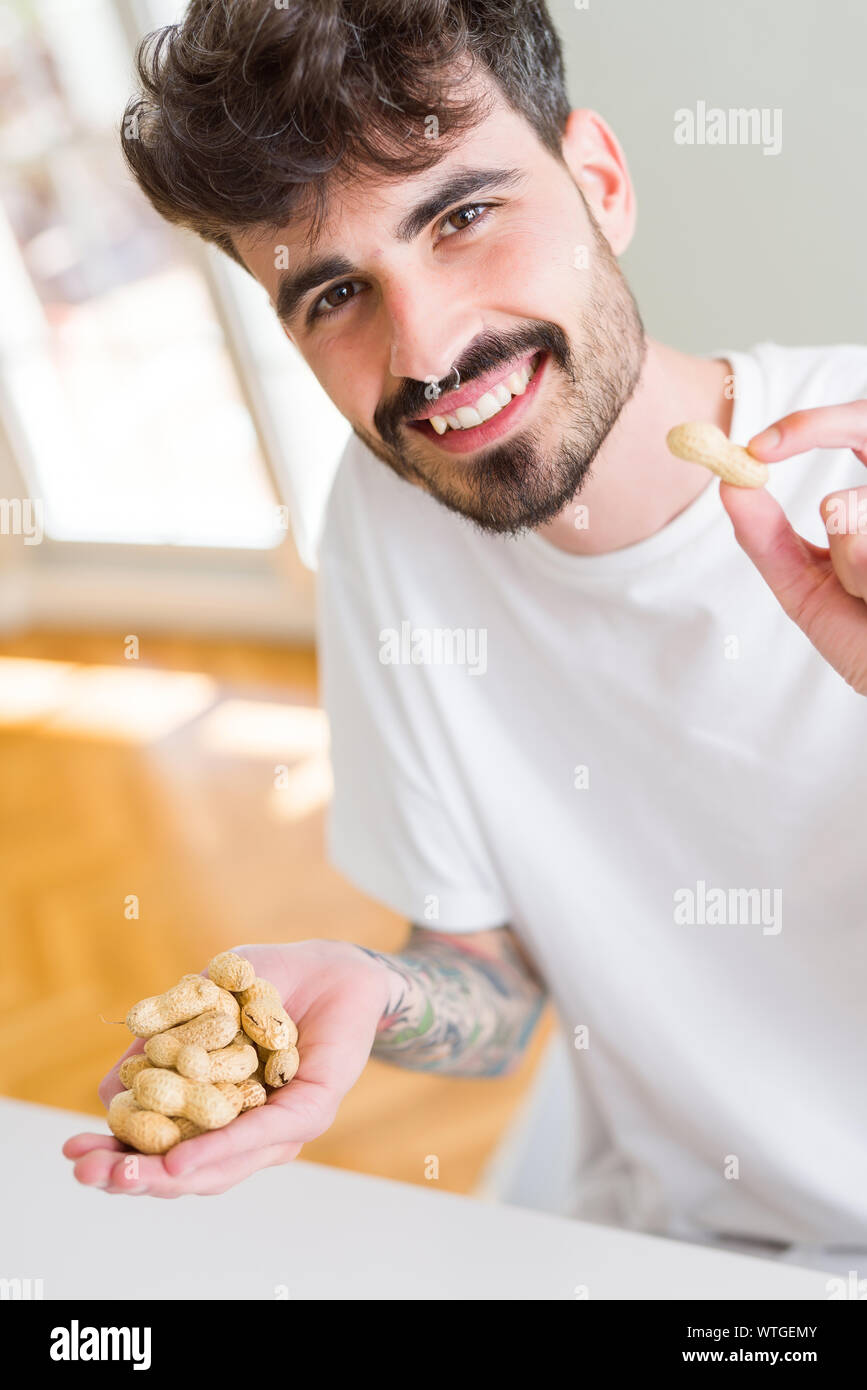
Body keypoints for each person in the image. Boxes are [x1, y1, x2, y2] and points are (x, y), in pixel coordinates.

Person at [65, 1, 867, 1274]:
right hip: (680, 1248)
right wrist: (373, 991)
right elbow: (489, 987)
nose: (428, 348)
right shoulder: (391, 525)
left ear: (598, 182)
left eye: (461, 215)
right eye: (335, 292)